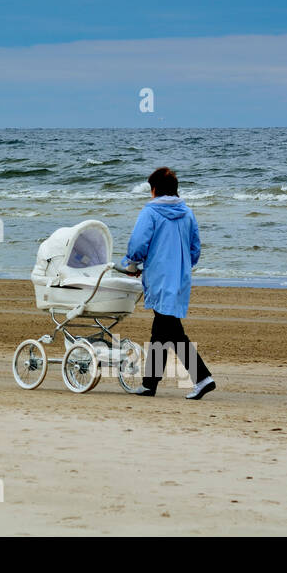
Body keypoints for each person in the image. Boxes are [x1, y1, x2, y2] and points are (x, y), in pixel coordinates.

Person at [119, 167, 216, 399]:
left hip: (159, 276)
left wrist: (130, 264)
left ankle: (203, 378)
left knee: (170, 328)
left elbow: (138, 245)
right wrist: (182, 266)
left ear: (154, 190)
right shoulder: (188, 213)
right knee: (163, 328)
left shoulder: (150, 212)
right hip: (180, 277)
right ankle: (150, 384)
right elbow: (195, 249)